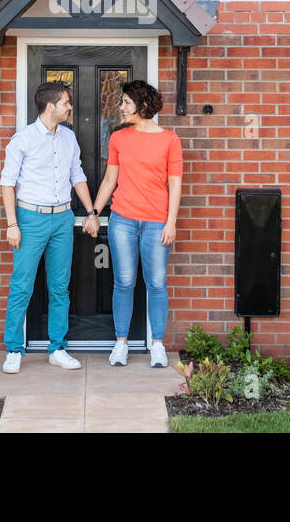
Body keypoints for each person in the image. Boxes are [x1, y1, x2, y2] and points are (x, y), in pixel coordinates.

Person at [0, 80, 100, 374]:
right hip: (30, 219)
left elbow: (77, 175)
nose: (70, 107)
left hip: (62, 219)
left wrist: (91, 211)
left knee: (59, 287)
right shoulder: (23, 139)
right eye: (66, 102)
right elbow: (7, 183)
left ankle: (57, 348)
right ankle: (14, 349)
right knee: (22, 286)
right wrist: (12, 223)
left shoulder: (68, 138)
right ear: (50, 105)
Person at [86, 80, 182, 368]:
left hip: (156, 223)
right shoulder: (119, 138)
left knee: (157, 283)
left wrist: (171, 223)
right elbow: (109, 180)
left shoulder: (170, 140)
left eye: (127, 102)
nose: (121, 107)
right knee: (124, 282)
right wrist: (94, 211)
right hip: (123, 221)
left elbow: (175, 185)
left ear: (143, 105)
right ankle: (121, 343)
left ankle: (157, 345)